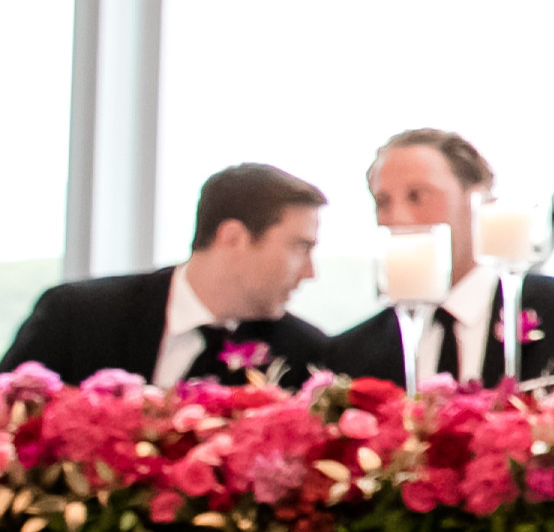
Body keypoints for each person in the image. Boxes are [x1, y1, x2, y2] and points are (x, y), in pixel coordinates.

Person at [311, 129, 554, 386]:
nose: (394, 217)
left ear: (479, 201)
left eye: (418, 196)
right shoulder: (351, 354)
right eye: (382, 201)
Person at [3, 162, 337, 387]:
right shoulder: (76, 315)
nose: (310, 273)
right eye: (299, 247)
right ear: (232, 238)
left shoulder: (303, 353)